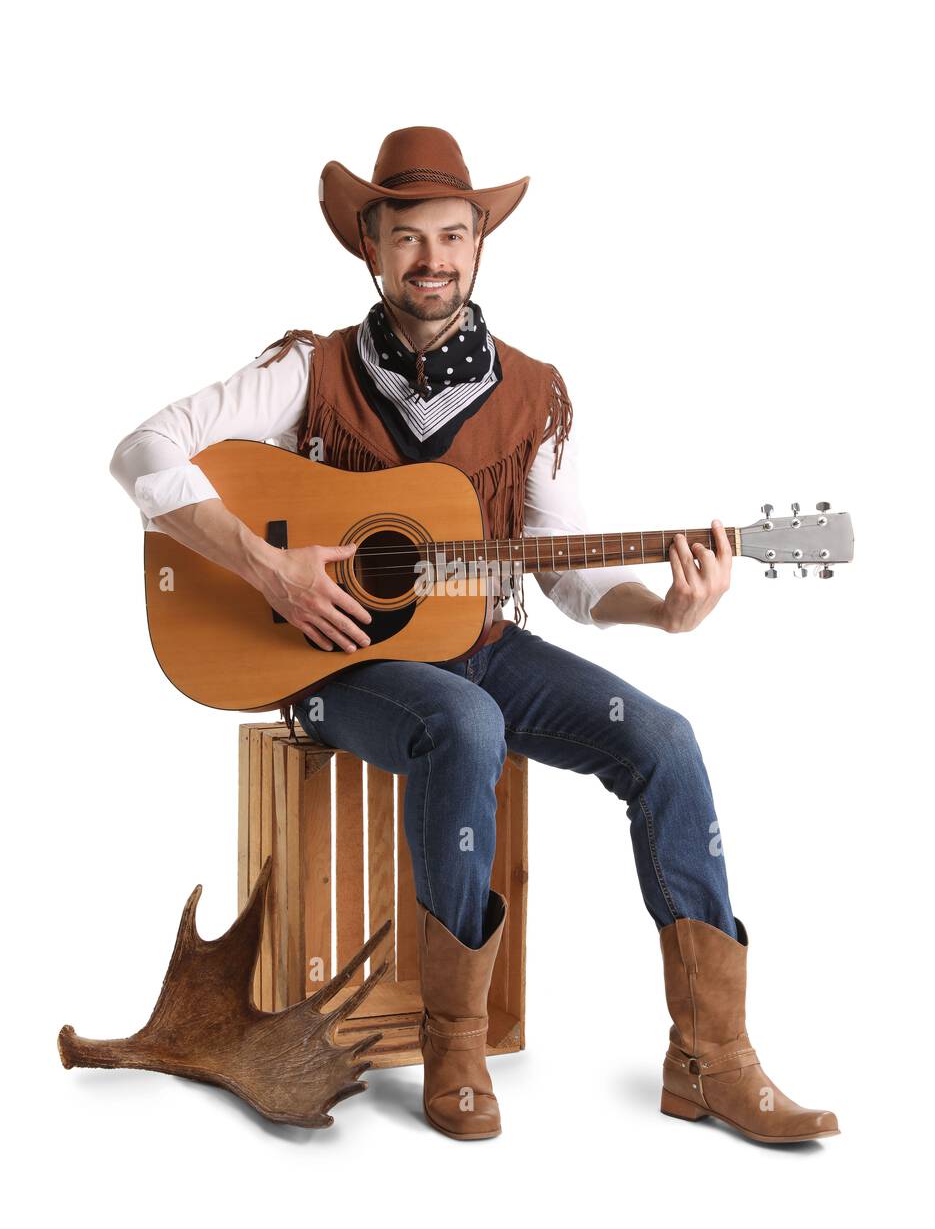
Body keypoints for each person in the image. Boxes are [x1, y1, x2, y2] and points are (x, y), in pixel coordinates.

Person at [110, 126, 839, 1146]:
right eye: (408, 238)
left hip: (479, 641)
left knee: (661, 738)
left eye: (453, 235)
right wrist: (269, 566)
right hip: (333, 662)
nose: (433, 259)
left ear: (479, 245)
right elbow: (142, 449)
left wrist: (663, 610)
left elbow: (575, 583)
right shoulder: (307, 369)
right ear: (370, 249)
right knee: (461, 720)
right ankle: (453, 1038)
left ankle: (709, 1059)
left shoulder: (533, 393)